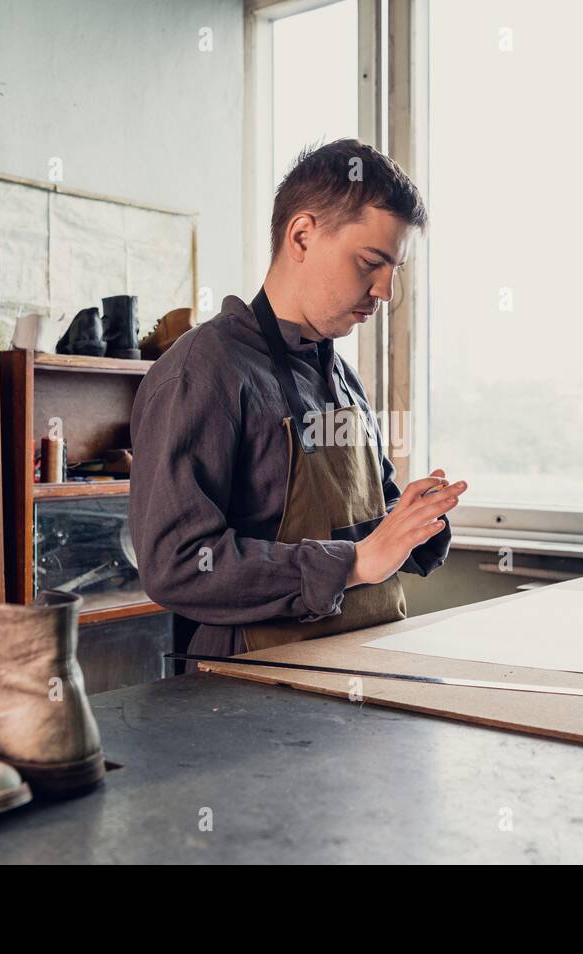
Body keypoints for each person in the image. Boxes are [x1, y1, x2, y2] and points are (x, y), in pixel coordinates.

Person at [129, 139, 466, 656]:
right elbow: (177, 563)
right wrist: (353, 563)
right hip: (249, 691)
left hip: (362, 668)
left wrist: (413, 525)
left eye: (394, 270)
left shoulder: (342, 376)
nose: (385, 292)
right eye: (371, 262)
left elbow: (369, 521)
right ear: (302, 235)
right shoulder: (203, 372)